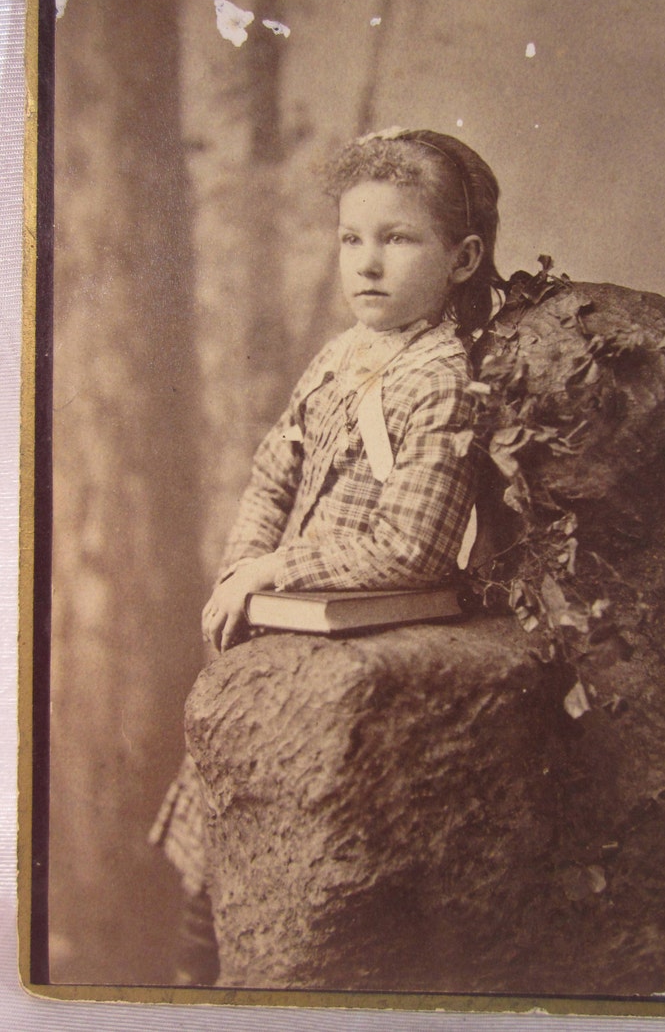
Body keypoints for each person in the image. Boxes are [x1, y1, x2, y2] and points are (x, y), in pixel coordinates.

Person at [150, 127, 507, 983]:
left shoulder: (446, 379)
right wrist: (245, 566)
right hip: (284, 616)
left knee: (276, 861)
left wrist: (283, 570)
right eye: (353, 238)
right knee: (211, 851)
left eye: (398, 238)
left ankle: (217, 966)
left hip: (363, 614)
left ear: (461, 260)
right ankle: (192, 972)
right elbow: (274, 471)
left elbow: (413, 545)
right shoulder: (341, 357)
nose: (367, 263)